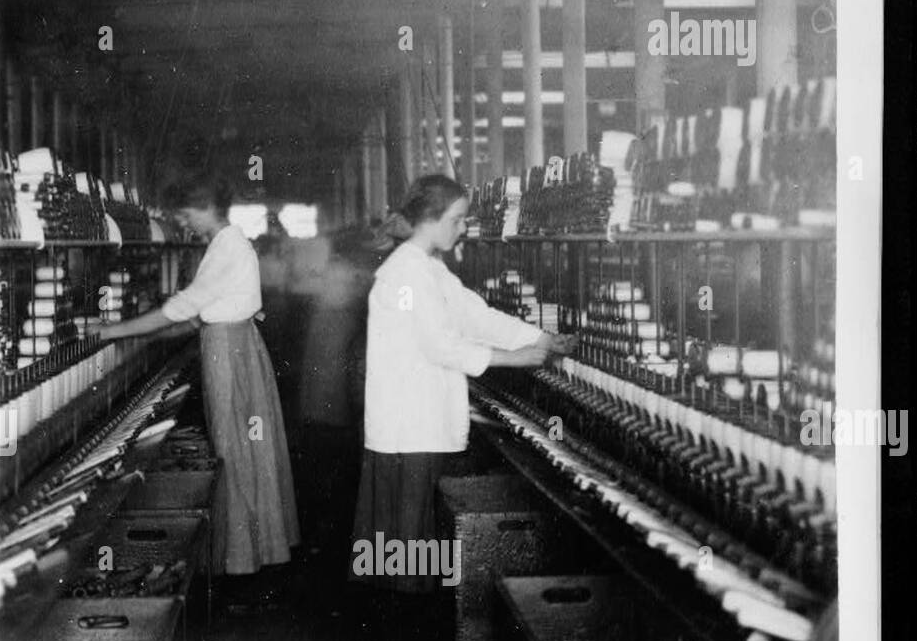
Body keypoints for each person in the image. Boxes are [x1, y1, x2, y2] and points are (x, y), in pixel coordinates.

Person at [352, 173, 573, 598]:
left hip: (423, 422)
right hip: (408, 428)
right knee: (406, 545)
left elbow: (476, 316)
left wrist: (540, 339)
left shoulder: (430, 270)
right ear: (431, 220)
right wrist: (516, 359)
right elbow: (440, 346)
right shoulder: (404, 275)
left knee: (415, 541)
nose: (462, 228)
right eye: (457, 219)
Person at [98, 175, 300, 586]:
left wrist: (109, 333)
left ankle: (242, 567)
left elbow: (185, 307)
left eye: (185, 215)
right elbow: (196, 316)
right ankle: (250, 558)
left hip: (229, 352)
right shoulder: (229, 243)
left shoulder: (227, 246)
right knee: (243, 450)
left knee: (233, 449)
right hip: (232, 345)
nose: (184, 223)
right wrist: (143, 334)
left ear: (203, 207)